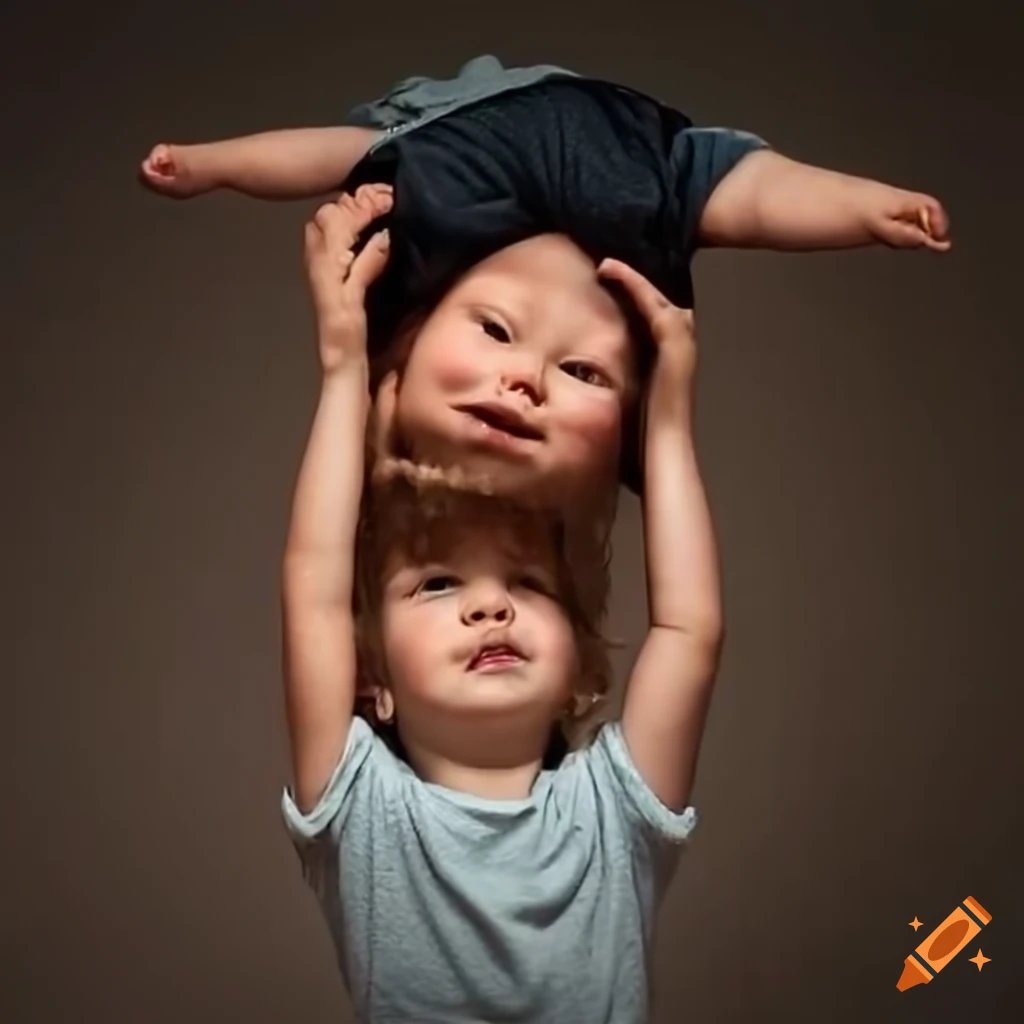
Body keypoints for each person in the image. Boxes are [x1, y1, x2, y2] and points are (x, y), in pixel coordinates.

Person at [280, 185, 722, 1022]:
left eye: (528, 584)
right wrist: (343, 368)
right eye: (438, 584)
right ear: (368, 674)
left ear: (581, 669)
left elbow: (689, 628)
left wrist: (665, 421)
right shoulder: (360, 808)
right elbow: (312, 580)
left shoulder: (617, 813)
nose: (492, 609)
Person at [141, 55, 951, 502]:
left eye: (491, 333)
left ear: (406, 354)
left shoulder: (412, 218)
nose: (521, 379)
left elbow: (319, 154)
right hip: (628, 157)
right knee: (719, 193)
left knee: (370, 144)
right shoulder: (648, 233)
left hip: (470, 122)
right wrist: (863, 207)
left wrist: (210, 166)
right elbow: (750, 195)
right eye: (579, 372)